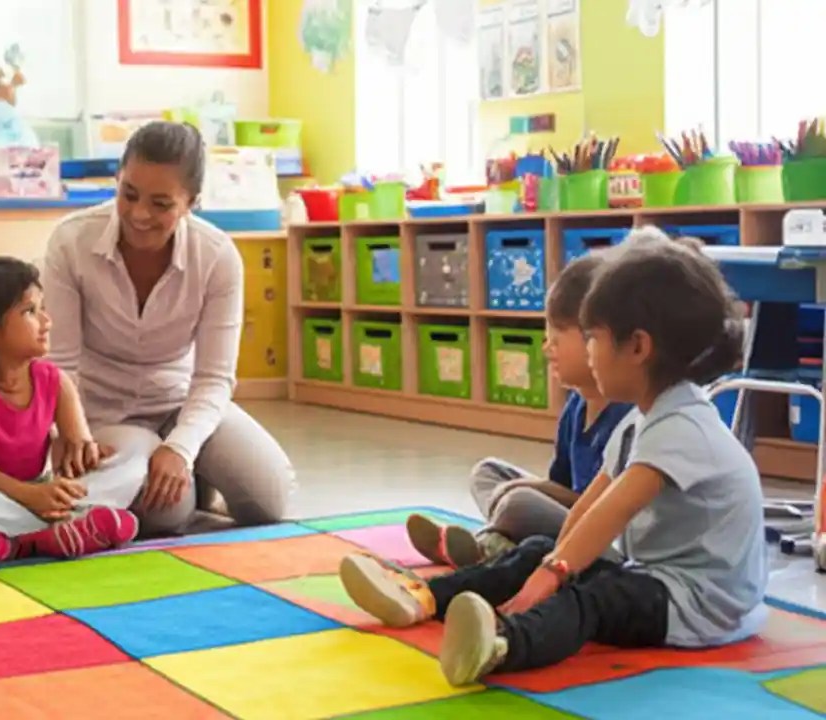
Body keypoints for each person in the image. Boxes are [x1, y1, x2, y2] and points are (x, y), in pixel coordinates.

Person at [339, 228, 766, 687]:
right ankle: (422, 596)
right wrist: (549, 561)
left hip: (702, 605)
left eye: (593, 338)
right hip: (657, 577)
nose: (588, 351)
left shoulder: (683, 426)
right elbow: (589, 506)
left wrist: (552, 577)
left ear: (638, 347)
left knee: (592, 599)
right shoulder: (642, 419)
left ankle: (502, 643)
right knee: (540, 551)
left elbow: (614, 511)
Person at [42, 121, 295, 535]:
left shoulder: (217, 256)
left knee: (268, 499)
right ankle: (183, 478)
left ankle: (190, 466)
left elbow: (214, 378)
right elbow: (60, 364)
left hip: (180, 400)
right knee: (167, 514)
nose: (140, 214)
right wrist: (71, 435)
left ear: (191, 202)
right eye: (129, 194)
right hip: (104, 411)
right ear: (117, 180)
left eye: (161, 204)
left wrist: (181, 447)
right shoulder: (71, 241)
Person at [406, 253, 634, 567]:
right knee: (488, 472)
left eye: (556, 338)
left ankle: (488, 549)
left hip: (601, 538)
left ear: (595, 340)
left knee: (518, 503)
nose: (547, 348)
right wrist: (534, 489)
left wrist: (532, 489)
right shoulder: (576, 405)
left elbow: (607, 508)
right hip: (567, 519)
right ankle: (500, 544)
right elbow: (561, 485)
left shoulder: (626, 416)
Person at [0, 257, 142, 558]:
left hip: (37, 489)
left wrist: (86, 456)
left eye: (42, 308)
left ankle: (28, 533)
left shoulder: (56, 381)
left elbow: (79, 447)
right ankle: (52, 530)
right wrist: (31, 497)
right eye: (30, 312)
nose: (47, 322)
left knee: (134, 457)